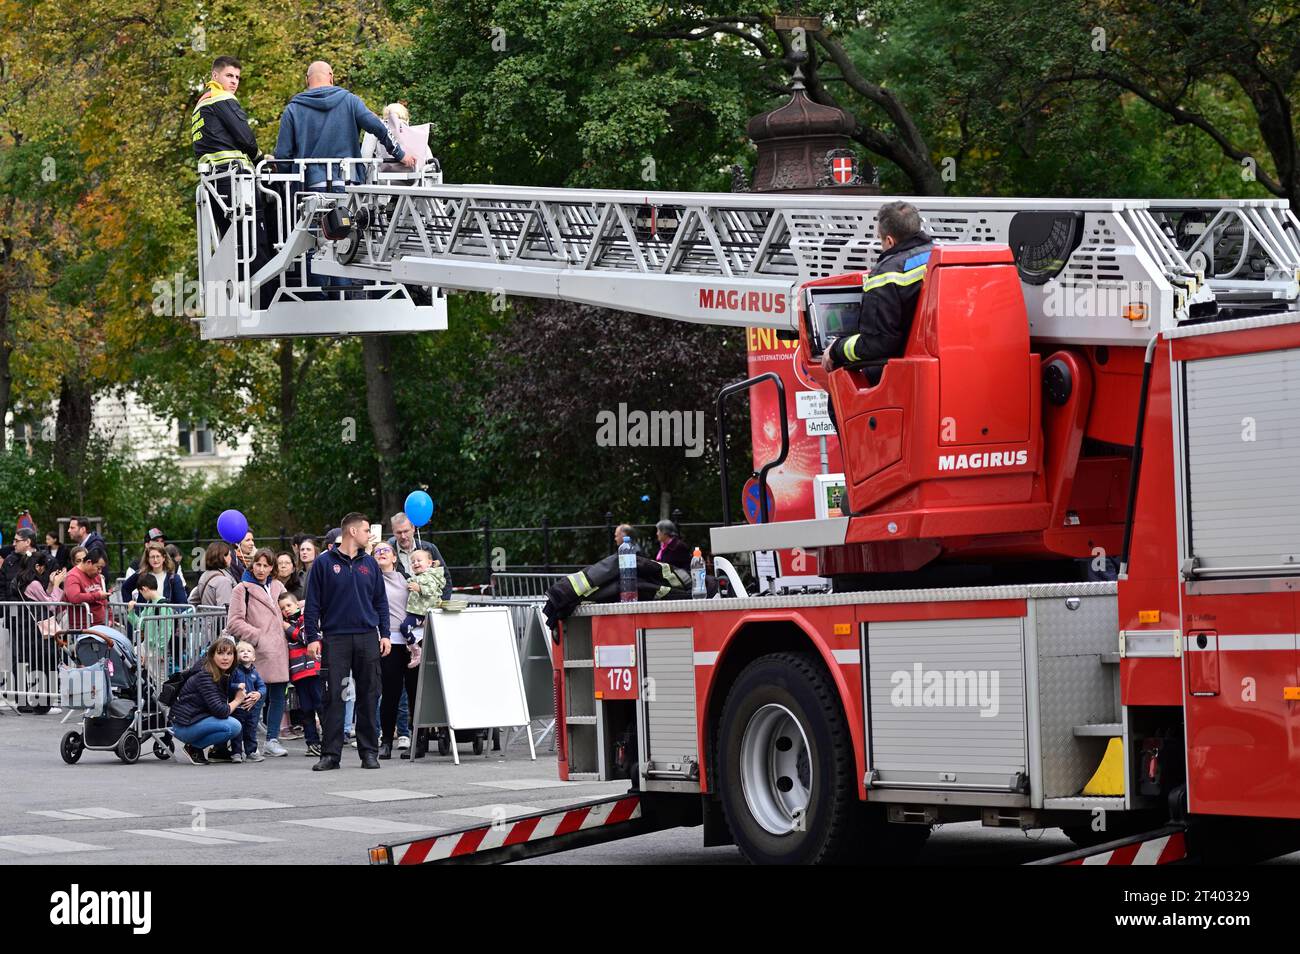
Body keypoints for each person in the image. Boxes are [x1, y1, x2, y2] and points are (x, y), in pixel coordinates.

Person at [304, 512, 389, 771]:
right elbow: (313, 604)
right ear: (352, 532)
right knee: (334, 696)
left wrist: (384, 633)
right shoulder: (324, 563)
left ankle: (369, 752)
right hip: (336, 638)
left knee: (368, 694)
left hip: (366, 637)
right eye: (366, 530)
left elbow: (380, 602)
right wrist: (312, 637)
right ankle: (331, 754)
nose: (369, 535)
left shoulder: (370, 564)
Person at [821, 201, 934, 375]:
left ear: (889, 240)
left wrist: (836, 349)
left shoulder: (884, 276)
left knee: (841, 375)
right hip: (944, 361)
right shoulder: (939, 257)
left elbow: (877, 344)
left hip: (906, 373)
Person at [274, 61, 414, 190]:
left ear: (307, 79)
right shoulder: (350, 101)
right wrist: (399, 154)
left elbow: (282, 154)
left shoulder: (293, 109)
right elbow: (378, 126)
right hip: (348, 180)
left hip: (309, 183)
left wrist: (290, 178)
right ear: (331, 77)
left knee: (311, 217)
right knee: (349, 217)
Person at [224, 548, 289, 758]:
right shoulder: (242, 589)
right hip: (255, 652)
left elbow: (286, 610)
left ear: (272, 568)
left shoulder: (278, 586)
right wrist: (258, 637)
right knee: (254, 697)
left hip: (279, 650)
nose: (261, 569)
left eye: (266, 565)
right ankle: (244, 743)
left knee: (279, 695)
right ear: (252, 565)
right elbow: (233, 622)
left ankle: (272, 739)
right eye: (258, 565)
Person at [168, 635, 246, 765]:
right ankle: (194, 747)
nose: (225, 658)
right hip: (184, 725)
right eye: (220, 653)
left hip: (196, 719)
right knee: (233, 726)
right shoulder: (205, 676)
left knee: (232, 723)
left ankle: (209, 750)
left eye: (229, 653)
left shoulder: (222, 672)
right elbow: (221, 711)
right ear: (212, 655)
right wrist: (238, 700)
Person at [374, 543, 420, 760]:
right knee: (390, 693)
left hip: (412, 642)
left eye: (385, 551)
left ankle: (417, 740)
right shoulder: (372, 581)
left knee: (414, 692)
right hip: (388, 640)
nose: (381, 553)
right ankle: (386, 742)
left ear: (394, 557)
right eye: (377, 551)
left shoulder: (407, 580)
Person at [279, 591, 323, 757]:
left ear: (297, 605)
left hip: (313, 669)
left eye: (289, 606)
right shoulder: (283, 625)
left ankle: (329, 740)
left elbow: (307, 638)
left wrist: (288, 628)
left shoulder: (305, 620)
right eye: (282, 608)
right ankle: (312, 742)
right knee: (306, 709)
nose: (286, 610)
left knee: (320, 705)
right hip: (298, 673)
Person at [388, 512, 453, 599]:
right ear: (393, 531)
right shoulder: (388, 552)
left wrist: (441, 605)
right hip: (399, 607)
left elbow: (445, 578)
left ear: (413, 528)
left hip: (429, 607)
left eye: (406, 531)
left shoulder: (429, 548)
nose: (403, 536)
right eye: (399, 532)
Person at [127, 576, 175, 685]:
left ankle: (162, 701)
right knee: (129, 655)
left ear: (144, 589)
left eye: (141, 593)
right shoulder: (149, 605)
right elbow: (140, 624)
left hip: (156, 649)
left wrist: (161, 650)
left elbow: (165, 631)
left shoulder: (163, 605)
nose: (142, 596)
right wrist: (131, 613)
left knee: (160, 681)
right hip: (147, 647)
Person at [227, 641, 266, 763]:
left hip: (251, 708)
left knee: (251, 730)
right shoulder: (234, 671)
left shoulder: (255, 673)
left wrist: (259, 693)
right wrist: (237, 685)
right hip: (238, 708)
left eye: (248, 651)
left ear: (253, 657)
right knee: (237, 731)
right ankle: (236, 752)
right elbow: (227, 685)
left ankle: (251, 752)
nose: (245, 653)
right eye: (242, 651)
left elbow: (262, 686)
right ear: (236, 656)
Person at [119, 541, 188, 606]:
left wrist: (172, 614)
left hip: (167, 617)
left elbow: (183, 604)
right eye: (152, 557)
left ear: (164, 558)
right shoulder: (141, 575)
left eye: (158, 556)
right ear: (147, 559)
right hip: (144, 617)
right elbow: (125, 588)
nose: (155, 560)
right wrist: (131, 608)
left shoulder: (174, 578)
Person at [400, 548, 444, 648]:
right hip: (417, 612)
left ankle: (414, 647)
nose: (415, 563)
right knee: (404, 627)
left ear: (429, 563)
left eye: (419, 560)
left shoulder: (429, 576)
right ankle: (414, 647)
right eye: (413, 562)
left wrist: (419, 588)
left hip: (423, 613)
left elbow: (432, 590)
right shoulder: (417, 576)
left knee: (404, 627)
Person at [63, 548, 109, 627]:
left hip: (100, 623)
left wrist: (110, 617)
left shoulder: (97, 576)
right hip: (82, 627)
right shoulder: (73, 576)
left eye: (101, 568)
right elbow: (74, 597)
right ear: (89, 562)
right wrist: (98, 595)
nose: (100, 571)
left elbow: (104, 602)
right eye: (98, 568)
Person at [190, 541, 235, 607]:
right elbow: (226, 610)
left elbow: (192, 601)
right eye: (229, 555)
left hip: (206, 616)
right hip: (218, 617)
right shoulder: (224, 581)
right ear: (223, 557)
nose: (231, 558)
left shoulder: (204, 575)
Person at [0, 528, 36, 598]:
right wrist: (5, 608)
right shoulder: (9, 560)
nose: (13, 544)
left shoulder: (45, 561)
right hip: (9, 607)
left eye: (17, 541)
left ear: (28, 542)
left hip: (35, 608)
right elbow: (1, 587)